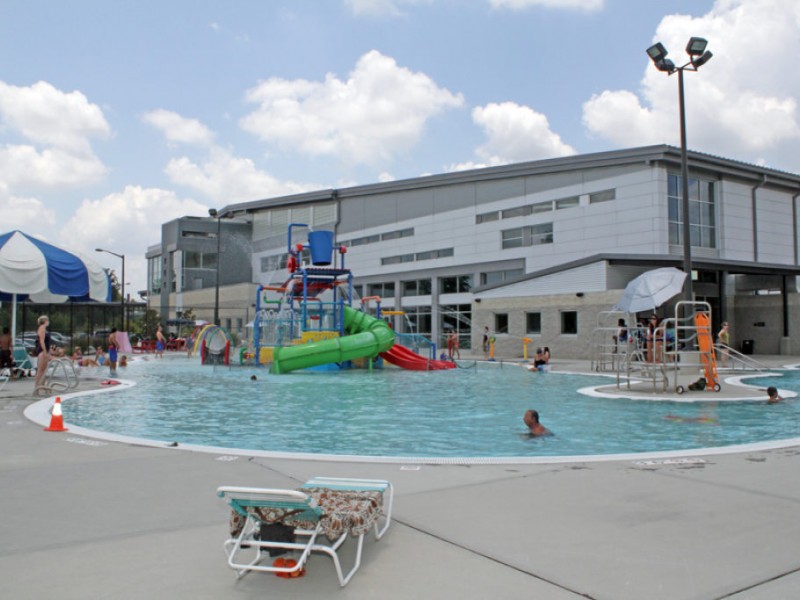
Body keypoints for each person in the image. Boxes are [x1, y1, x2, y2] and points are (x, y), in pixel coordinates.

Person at [34, 315, 51, 391]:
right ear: (45, 321)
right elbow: (42, 341)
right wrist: (44, 352)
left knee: (44, 370)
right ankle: (37, 387)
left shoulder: (43, 329)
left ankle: (43, 386)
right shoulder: (42, 329)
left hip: (45, 351)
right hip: (42, 351)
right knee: (40, 370)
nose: (48, 322)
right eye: (47, 320)